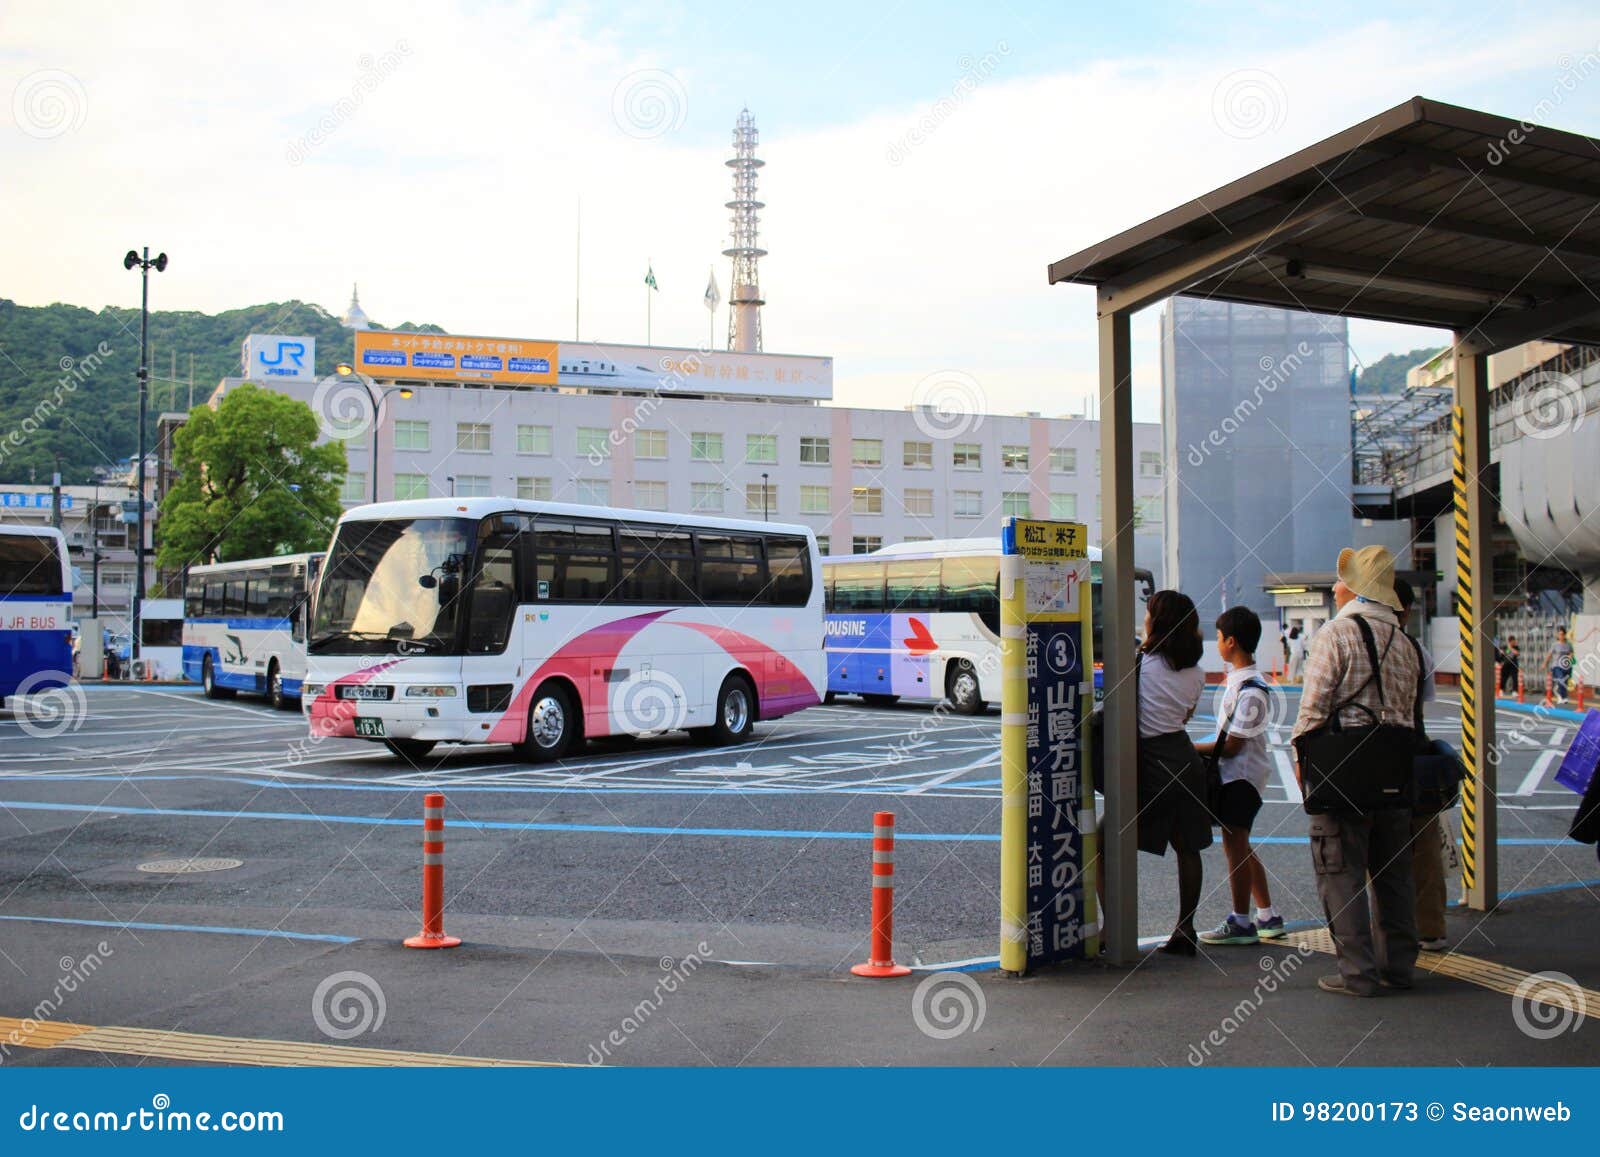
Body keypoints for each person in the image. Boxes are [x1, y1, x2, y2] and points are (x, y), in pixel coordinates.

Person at [1291, 545, 1421, 997]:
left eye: (1341, 579)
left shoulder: (1336, 633)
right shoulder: (1406, 642)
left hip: (1343, 769)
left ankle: (1359, 975)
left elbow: (1313, 708)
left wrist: (1300, 761)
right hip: (1394, 772)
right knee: (1394, 875)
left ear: (1358, 588)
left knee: (1340, 870)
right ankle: (1399, 967)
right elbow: (1409, 712)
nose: (1334, 585)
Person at [1196, 606, 1284, 945]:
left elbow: (1232, 745)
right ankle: (1267, 913)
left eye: (1218, 638)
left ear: (1230, 642)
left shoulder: (1251, 689)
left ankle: (1241, 920)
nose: (1216, 643)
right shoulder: (1242, 681)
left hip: (1241, 778)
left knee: (1235, 847)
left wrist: (1191, 748)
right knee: (1241, 845)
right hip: (1240, 776)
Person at [1134, 589, 1210, 956]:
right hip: (1186, 760)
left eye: (1149, 612)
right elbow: (1184, 718)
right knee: (1188, 847)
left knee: (1104, 843)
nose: (1145, 618)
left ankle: (1109, 930)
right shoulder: (1197, 672)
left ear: (1157, 621)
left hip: (1152, 763)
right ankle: (1185, 928)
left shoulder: (1140, 664)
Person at [1394, 578, 1448, 953]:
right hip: (1415, 751)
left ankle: (1387, 926)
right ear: (1409, 612)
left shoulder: (1356, 641)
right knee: (1424, 845)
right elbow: (1422, 704)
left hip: (1371, 758)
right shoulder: (1417, 650)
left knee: (1377, 843)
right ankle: (1430, 927)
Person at [1548, 626, 1574, 704]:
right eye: (1559, 634)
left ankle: (1562, 696)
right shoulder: (1555, 645)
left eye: (1562, 634)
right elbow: (1549, 654)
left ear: (1565, 635)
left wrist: (1570, 656)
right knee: (1561, 679)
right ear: (1557, 635)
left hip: (1566, 666)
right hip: (1556, 666)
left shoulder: (1568, 644)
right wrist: (1544, 663)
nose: (1561, 636)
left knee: (1564, 682)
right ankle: (1562, 697)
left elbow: (1571, 652)